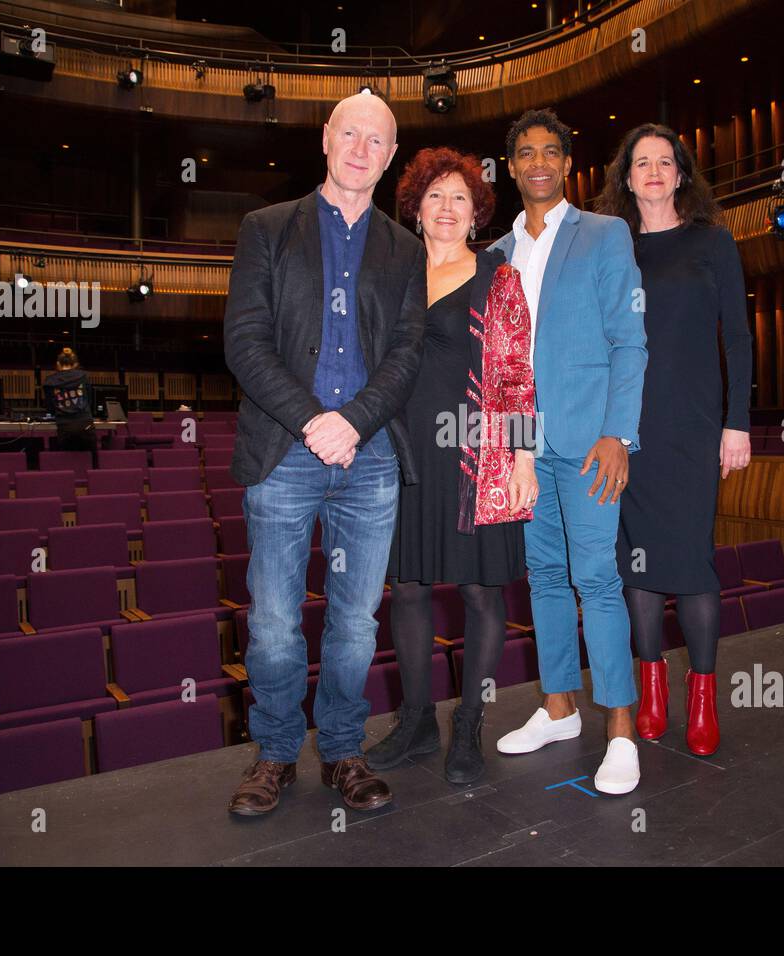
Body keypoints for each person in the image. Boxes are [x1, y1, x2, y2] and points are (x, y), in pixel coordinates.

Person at [223, 91, 425, 817]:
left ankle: (342, 748)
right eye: (351, 133)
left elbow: (406, 356)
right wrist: (316, 422)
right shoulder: (267, 228)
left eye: (378, 139)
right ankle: (275, 753)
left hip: (369, 458)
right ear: (326, 138)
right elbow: (244, 344)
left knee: (356, 621)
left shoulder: (406, 249)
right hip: (285, 450)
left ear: (391, 155)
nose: (362, 148)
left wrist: (355, 424)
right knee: (275, 619)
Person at [364, 148, 538, 784]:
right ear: (415, 208)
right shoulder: (393, 274)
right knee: (406, 588)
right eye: (435, 195)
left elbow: (518, 373)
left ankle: (468, 724)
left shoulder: (499, 277)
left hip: (478, 458)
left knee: (478, 590)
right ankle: (416, 722)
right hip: (399, 454)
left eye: (459, 197)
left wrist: (524, 457)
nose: (446, 207)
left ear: (475, 213)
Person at [489, 108, 649, 795]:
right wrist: (511, 450)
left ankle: (621, 728)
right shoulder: (496, 255)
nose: (539, 162)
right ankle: (558, 709)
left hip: (590, 443)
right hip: (527, 445)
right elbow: (504, 367)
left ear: (566, 162)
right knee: (545, 579)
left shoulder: (606, 235)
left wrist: (619, 433)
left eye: (552, 151)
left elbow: (629, 341)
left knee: (597, 581)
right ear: (512, 166)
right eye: (526, 152)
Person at [597, 123, 752, 756]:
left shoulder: (712, 243)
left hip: (692, 426)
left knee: (691, 564)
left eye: (665, 162)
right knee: (636, 566)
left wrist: (736, 421)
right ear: (626, 177)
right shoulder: (613, 248)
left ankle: (703, 701)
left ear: (681, 174)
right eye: (642, 163)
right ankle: (651, 696)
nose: (654, 172)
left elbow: (738, 338)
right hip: (628, 429)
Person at [43, 348, 95, 454]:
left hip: (64, 425)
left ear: (58, 363)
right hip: (84, 422)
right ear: (75, 363)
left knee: (67, 460)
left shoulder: (50, 381)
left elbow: (50, 406)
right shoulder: (83, 377)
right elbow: (89, 399)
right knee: (88, 459)